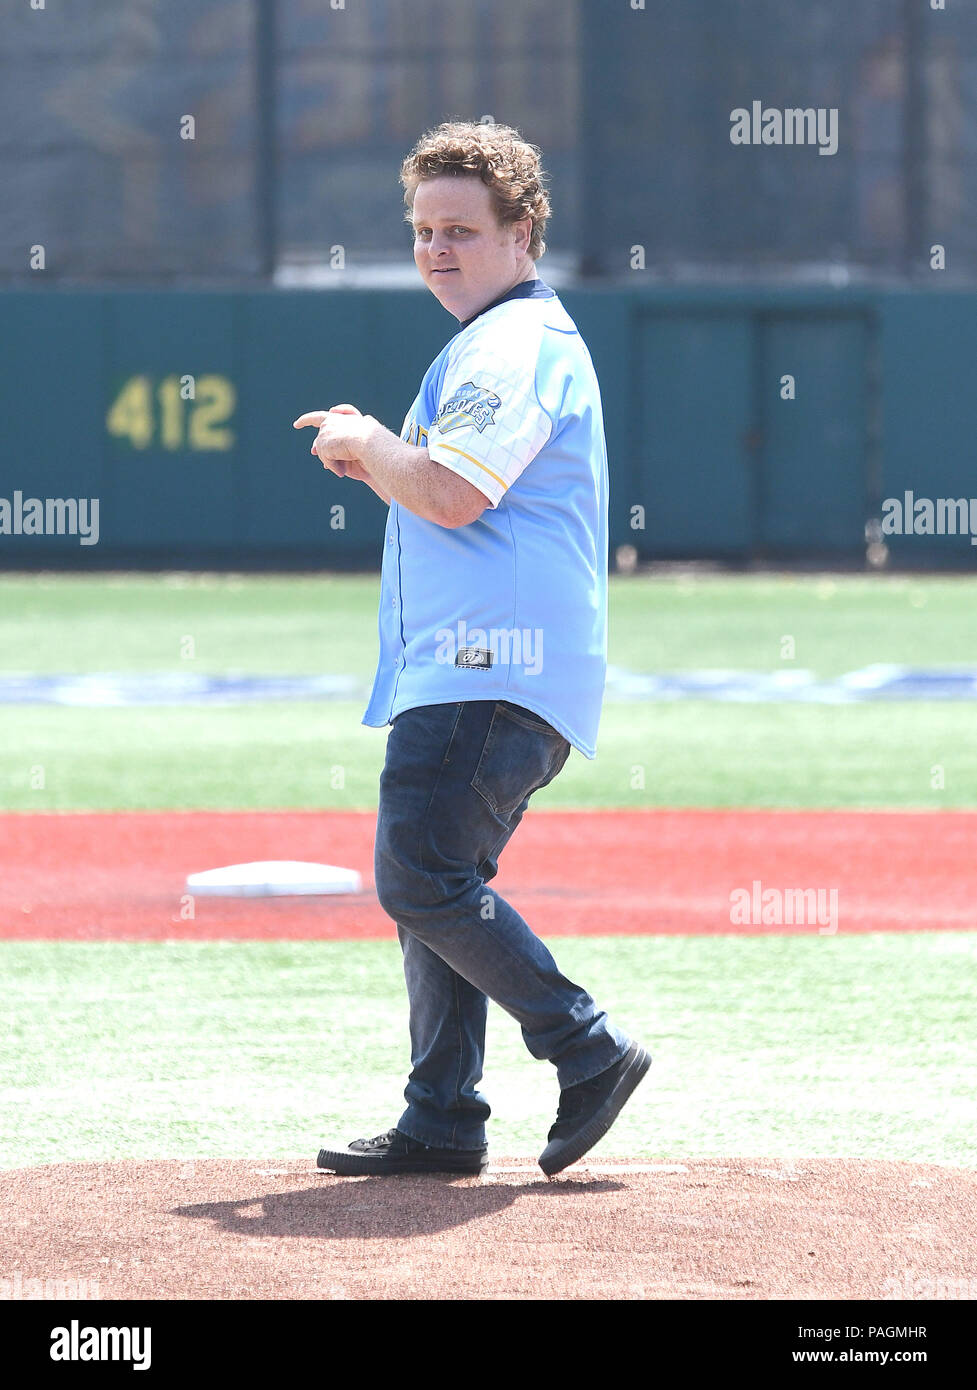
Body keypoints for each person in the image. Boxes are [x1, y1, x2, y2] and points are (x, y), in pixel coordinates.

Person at [293, 121, 648, 1178]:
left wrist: (368, 442)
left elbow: (451, 494)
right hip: (491, 666)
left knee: (421, 877)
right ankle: (441, 1113)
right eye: (422, 230)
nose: (435, 248)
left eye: (460, 228)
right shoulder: (501, 339)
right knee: (439, 885)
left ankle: (584, 1045)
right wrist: (379, 454)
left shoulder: (510, 344)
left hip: (488, 668)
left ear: (521, 232)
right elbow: (449, 489)